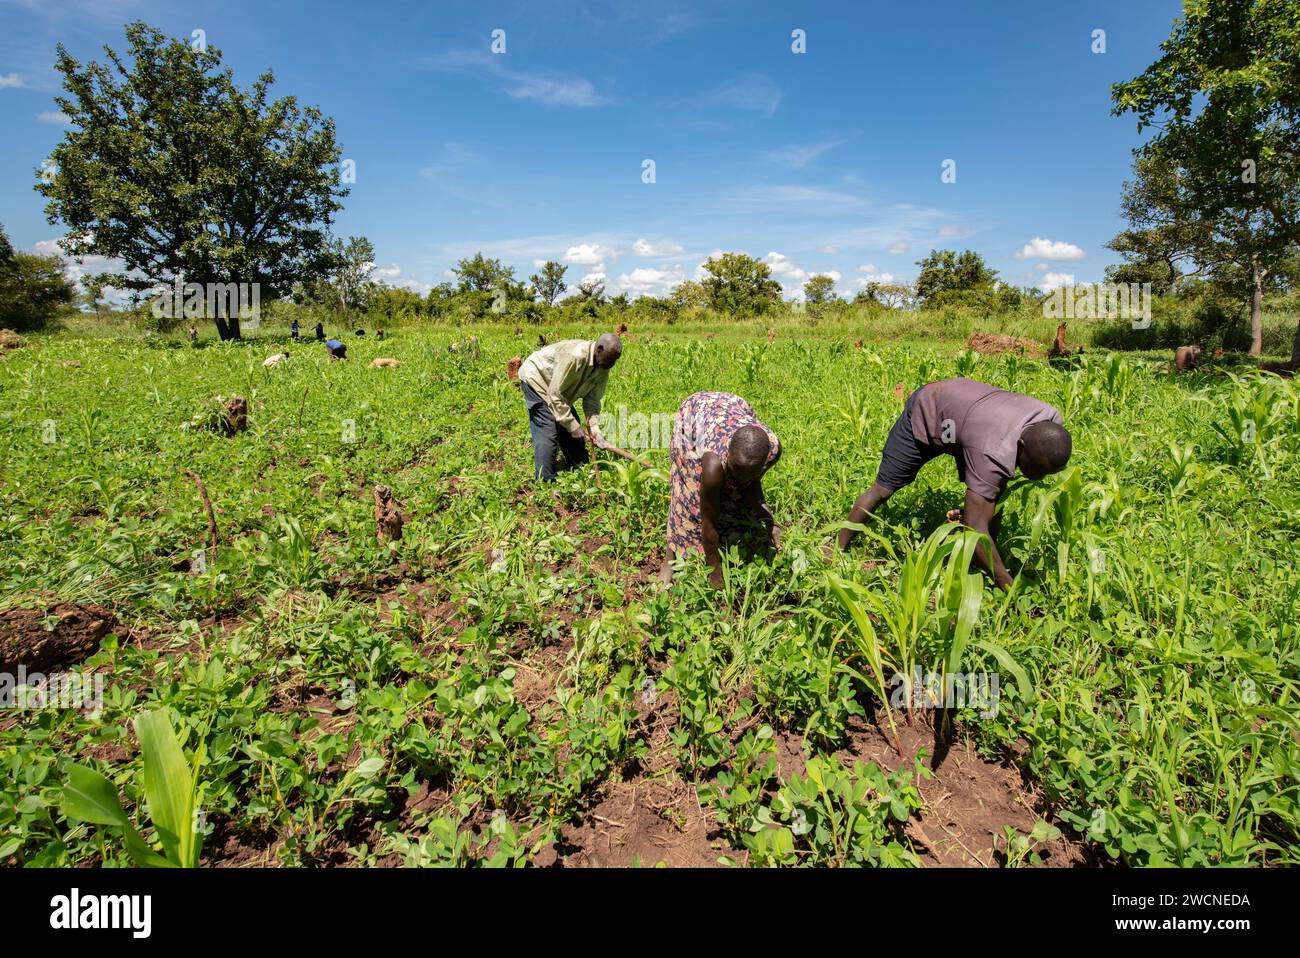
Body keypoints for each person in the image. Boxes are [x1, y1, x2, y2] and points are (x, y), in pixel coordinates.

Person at [838, 377, 1072, 590]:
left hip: (969, 417)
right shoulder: (992, 450)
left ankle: (979, 560)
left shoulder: (1050, 419)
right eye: (1037, 469)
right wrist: (1006, 584)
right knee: (882, 489)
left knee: (993, 495)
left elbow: (991, 499)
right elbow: (974, 527)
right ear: (1020, 445)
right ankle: (837, 550)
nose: (1040, 477)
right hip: (928, 408)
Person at [661, 392, 782, 587]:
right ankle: (669, 559)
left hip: (729, 407)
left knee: (735, 499)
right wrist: (715, 574)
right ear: (728, 455)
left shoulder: (772, 449)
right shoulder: (712, 464)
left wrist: (768, 519)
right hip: (694, 418)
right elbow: (708, 524)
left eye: (749, 473)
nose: (741, 479)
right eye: (735, 470)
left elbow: (751, 484)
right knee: (688, 502)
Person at [517, 333, 621, 481]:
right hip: (538, 379)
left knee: (574, 434)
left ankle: (581, 469)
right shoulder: (576, 356)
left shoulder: (604, 365)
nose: (611, 364)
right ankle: (545, 482)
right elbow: (554, 394)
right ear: (599, 349)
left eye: (615, 360)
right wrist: (572, 426)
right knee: (548, 431)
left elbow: (592, 401)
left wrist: (595, 429)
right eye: (609, 359)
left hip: (560, 392)